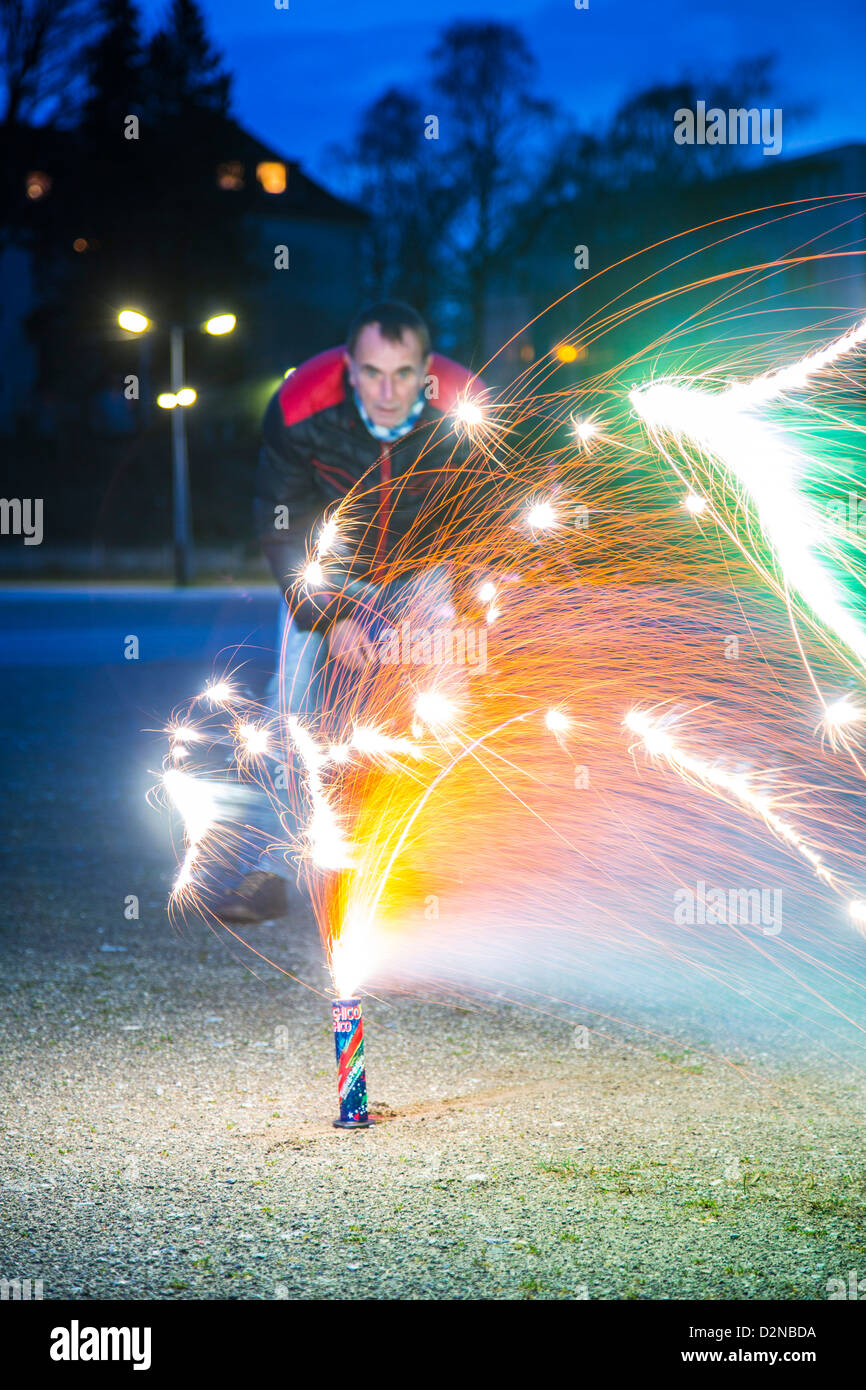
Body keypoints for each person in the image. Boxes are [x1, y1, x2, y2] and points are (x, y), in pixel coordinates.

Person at [213, 300, 484, 923]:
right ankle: (279, 869)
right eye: (371, 373)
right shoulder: (300, 405)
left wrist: (467, 605)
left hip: (423, 569)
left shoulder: (463, 408)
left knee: (447, 704)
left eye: (403, 373)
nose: (387, 392)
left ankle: (427, 865)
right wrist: (326, 614)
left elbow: (481, 512)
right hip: (331, 571)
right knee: (291, 706)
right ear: (348, 367)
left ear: (426, 370)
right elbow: (279, 523)